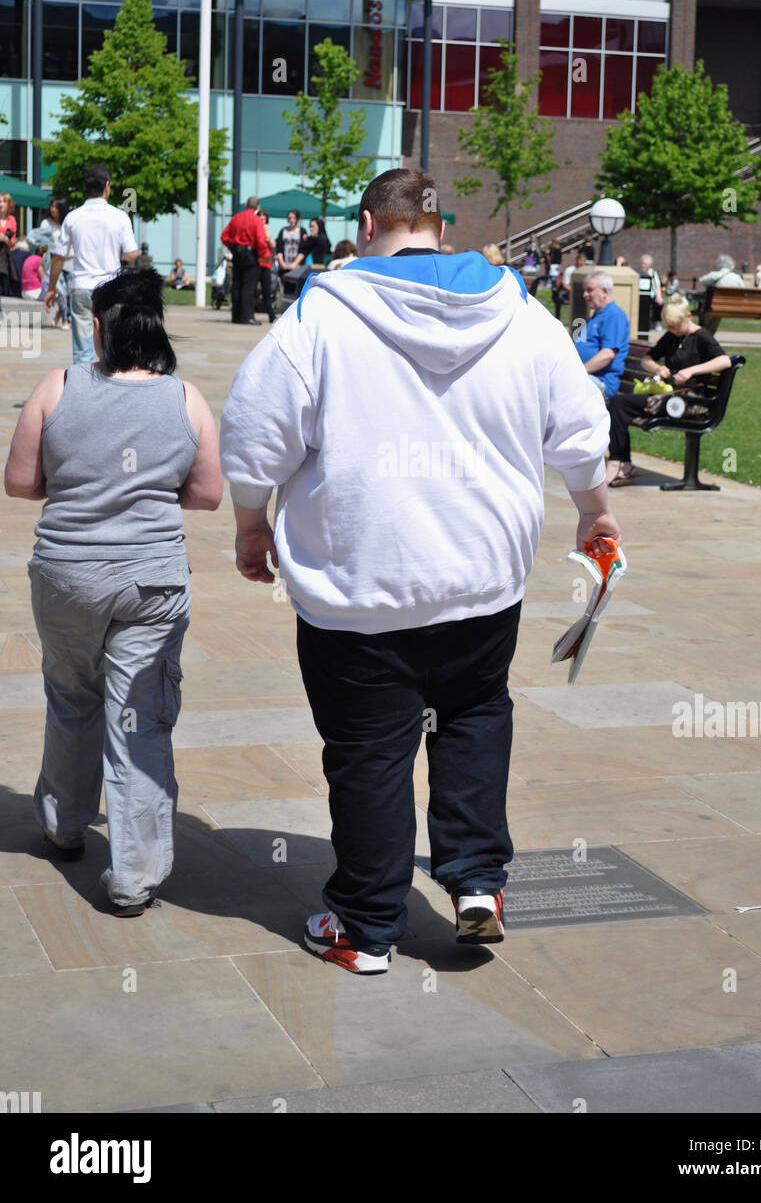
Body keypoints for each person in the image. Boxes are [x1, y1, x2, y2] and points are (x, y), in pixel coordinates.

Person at [219, 167, 618, 976]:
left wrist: (251, 523)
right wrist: (591, 508)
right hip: (480, 580)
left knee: (368, 751)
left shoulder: (319, 318)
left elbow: (256, 434)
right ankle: (476, 882)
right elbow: (579, 425)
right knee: (473, 718)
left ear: (368, 226)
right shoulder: (518, 312)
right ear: (441, 226)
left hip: (362, 585)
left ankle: (366, 925)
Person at [4, 268, 222, 914]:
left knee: (72, 698)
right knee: (139, 719)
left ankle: (64, 824)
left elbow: (19, 483)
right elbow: (207, 495)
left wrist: (79, 485)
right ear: (157, 323)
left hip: (68, 575)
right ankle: (135, 876)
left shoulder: (57, 386)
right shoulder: (185, 398)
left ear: (96, 326)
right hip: (151, 579)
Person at [605, 292, 732, 486]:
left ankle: (619, 462)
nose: (672, 330)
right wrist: (658, 368)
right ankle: (621, 461)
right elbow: (647, 359)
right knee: (618, 404)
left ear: (688, 317)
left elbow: (724, 361)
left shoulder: (702, 337)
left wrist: (690, 371)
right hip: (670, 397)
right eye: (669, 327)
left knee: (619, 405)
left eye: (675, 326)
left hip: (689, 401)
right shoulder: (672, 336)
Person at [45, 165, 139, 365]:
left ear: (84, 187)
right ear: (107, 186)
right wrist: (115, 251)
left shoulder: (73, 217)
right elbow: (132, 254)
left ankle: (82, 390)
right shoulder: (120, 216)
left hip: (81, 285)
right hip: (110, 286)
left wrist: (52, 289)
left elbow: (58, 257)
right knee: (112, 343)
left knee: (82, 348)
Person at [573, 270, 630, 398]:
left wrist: (578, 371)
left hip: (602, 381)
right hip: (586, 377)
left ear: (604, 291)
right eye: (584, 290)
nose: (584, 294)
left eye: (590, 290)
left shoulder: (614, 315)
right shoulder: (594, 317)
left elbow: (608, 355)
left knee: (560, 384)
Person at [220, 197, 270, 325]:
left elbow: (224, 236)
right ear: (257, 207)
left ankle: (236, 316)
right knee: (249, 286)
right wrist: (263, 254)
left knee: (237, 284)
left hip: (237, 254)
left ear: (246, 204)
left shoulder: (236, 218)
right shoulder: (256, 220)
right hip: (250, 255)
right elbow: (260, 240)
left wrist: (232, 246)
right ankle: (247, 317)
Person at [29, 197, 72, 328]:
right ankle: (65, 320)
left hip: (70, 261)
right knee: (60, 292)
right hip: (54, 262)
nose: (52, 209)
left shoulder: (69, 222)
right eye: (51, 206)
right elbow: (39, 242)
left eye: (56, 207)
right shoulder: (46, 223)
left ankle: (61, 314)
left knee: (71, 292)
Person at [274, 210, 306, 288]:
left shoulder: (302, 231)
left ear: (297, 219)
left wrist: (295, 264)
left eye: (294, 218)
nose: (292, 220)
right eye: (290, 218)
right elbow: (279, 249)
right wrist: (282, 263)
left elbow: (303, 250)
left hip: (297, 267)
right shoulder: (283, 231)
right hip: (284, 267)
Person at [255, 208, 277, 323]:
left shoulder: (266, 230)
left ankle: (272, 316)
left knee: (267, 291)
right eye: (260, 218)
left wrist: (266, 231)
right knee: (253, 290)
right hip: (256, 262)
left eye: (264, 219)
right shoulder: (255, 229)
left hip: (266, 262)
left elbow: (272, 244)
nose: (262, 221)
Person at [0, 192, 19, 297]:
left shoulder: (12, 220)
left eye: (4, 202)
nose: (1, 204)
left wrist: (5, 239)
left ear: (9, 204)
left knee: (6, 286)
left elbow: (13, 243)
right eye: (0, 202)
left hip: (6, 257)